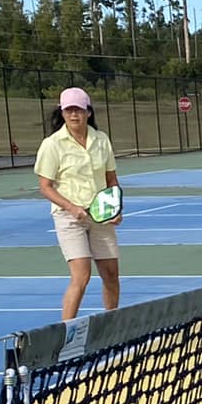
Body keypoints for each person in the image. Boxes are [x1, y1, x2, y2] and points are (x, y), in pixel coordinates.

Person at [35, 87, 123, 320]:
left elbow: (111, 179)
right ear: (62, 113)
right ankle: (67, 331)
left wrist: (115, 208)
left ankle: (112, 325)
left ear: (88, 112)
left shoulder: (101, 140)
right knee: (81, 276)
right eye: (69, 110)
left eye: (79, 110)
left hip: (100, 215)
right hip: (69, 218)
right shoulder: (52, 144)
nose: (74, 115)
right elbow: (45, 186)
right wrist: (71, 207)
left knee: (111, 275)